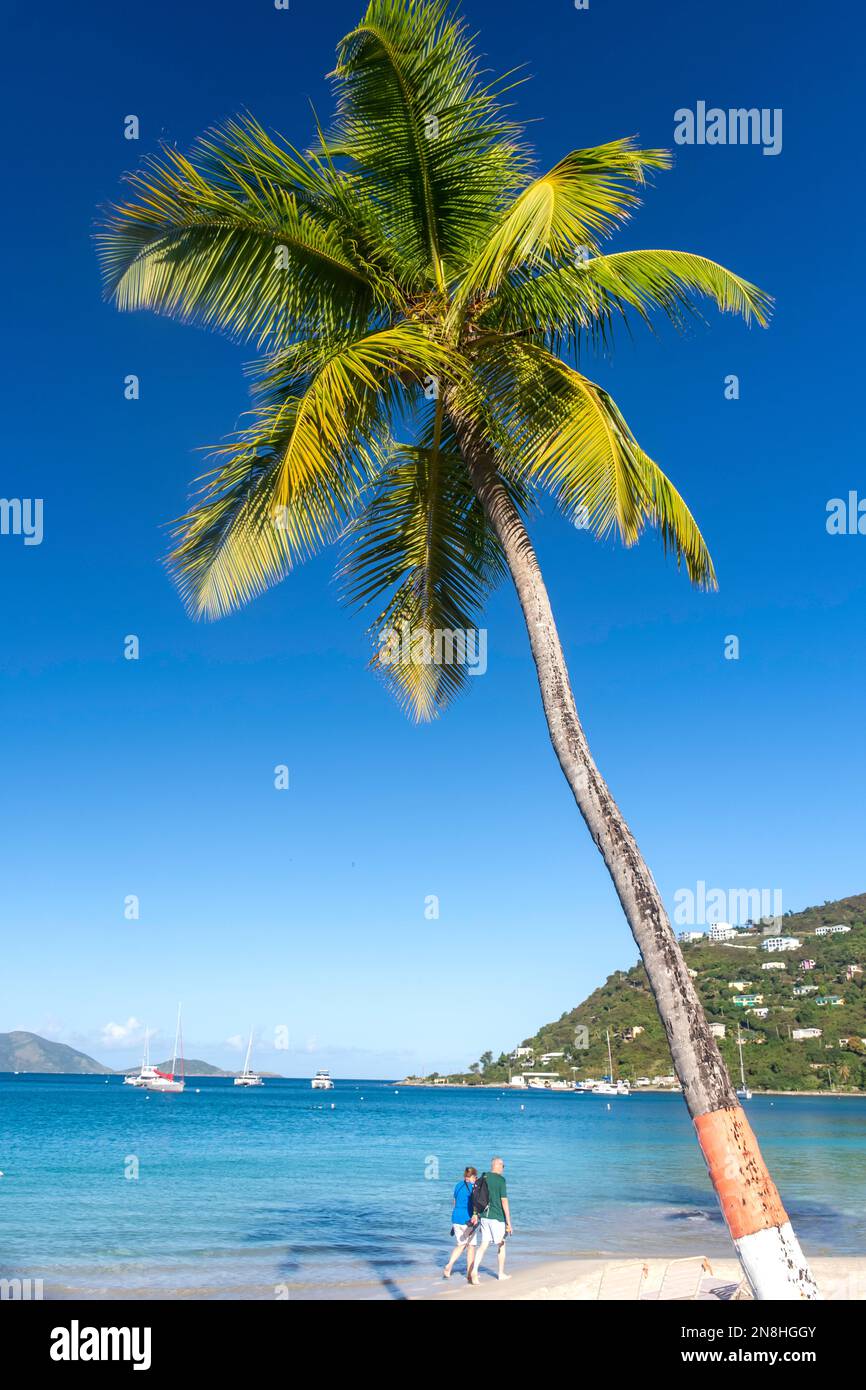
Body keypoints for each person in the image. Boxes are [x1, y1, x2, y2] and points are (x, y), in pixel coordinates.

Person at [470, 1156, 512, 1284]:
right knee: (501, 1244)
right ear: (497, 1165)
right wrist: (509, 1222)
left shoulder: (484, 1177)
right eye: (503, 1166)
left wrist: (476, 1213)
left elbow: (476, 1197)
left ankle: (474, 1270)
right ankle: (500, 1273)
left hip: (484, 1217)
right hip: (496, 1217)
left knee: (483, 1245)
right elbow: (504, 1201)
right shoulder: (501, 1180)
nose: (503, 1168)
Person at [443, 1166, 479, 1280]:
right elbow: (475, 1204)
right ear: (473, 1176)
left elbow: (455, 1202)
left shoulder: (458, 1185)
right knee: (471, 1246)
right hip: (467, 1220)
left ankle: (449, 1265)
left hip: (455, 1218)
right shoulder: (473, 1187)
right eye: (475, 1177)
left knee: (460, 1244)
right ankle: (469, 1274)